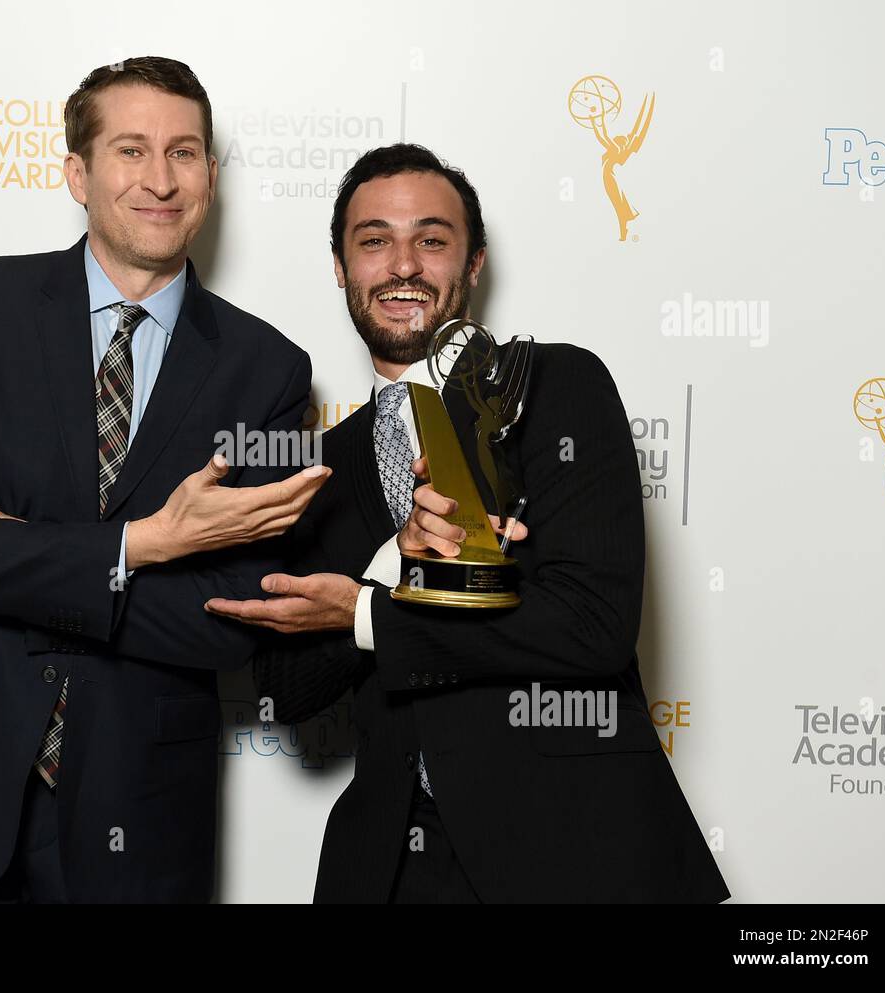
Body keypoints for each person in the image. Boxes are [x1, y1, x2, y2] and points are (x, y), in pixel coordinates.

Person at [0, 56, 328, 903]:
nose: (160, 180)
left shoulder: (269, 370)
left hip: (141, 808)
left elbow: (233, 620)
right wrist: (146, 546)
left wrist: (21, 552)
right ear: (78, 172)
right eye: (131, 150)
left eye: (184, 153)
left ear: (211, 176)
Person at [206, 143, 730, 903]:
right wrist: (391, 560)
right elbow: (287, 687)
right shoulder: (318, 462)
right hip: (393, 865)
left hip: (578, 851)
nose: (403, 265)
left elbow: (592, 625)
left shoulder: (555, 385)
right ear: (340, 265)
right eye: (374, 240)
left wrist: (365, 615)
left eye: (432, 239)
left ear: (474, 262)